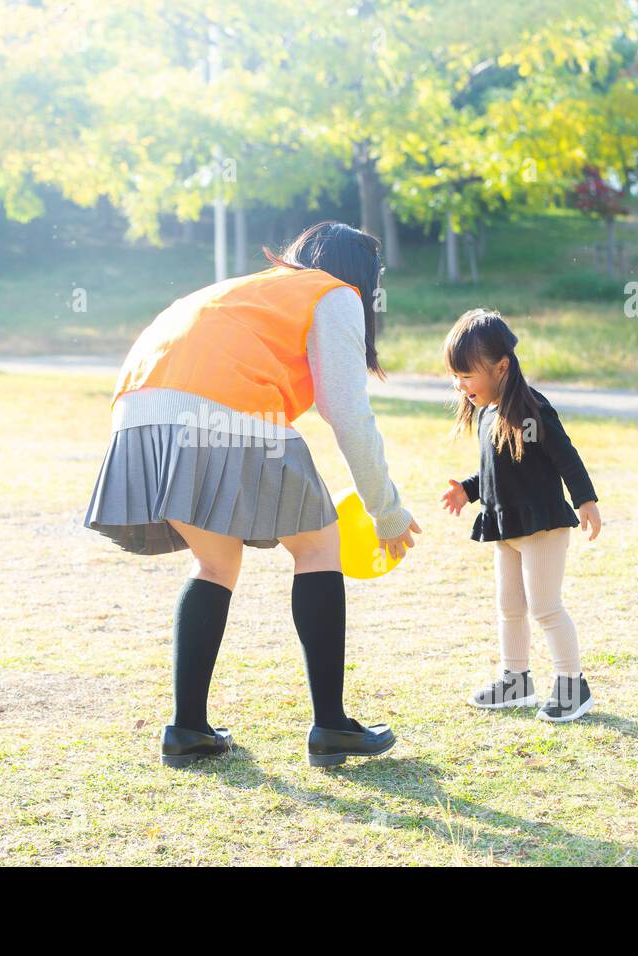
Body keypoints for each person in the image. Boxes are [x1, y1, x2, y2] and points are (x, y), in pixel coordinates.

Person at [84, 221, 420, 767]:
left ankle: (187, 729)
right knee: (317, 546)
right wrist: (387, 512)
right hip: (221, 409)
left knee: (215, 562)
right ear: (360, 275)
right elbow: (348, 414)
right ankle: (331, 725)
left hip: (137, 411)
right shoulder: (335, 293)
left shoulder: (256, 288)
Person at [439, 309, 602, 722]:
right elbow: (498, 468)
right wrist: (468, 489)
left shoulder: (532, 408)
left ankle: (572, 685)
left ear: (502, 366)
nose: (460, 384)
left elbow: (565, 455)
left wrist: (586, 500)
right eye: (455, 375)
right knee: (509, 606)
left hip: (541, 526)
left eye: (467, 374)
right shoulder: (487, 413)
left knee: (545, 607)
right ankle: (516, 680)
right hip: (505, 524)